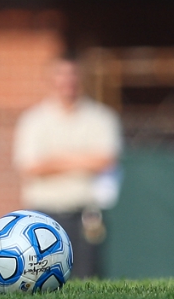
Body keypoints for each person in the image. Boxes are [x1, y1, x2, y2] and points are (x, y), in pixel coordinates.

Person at [13, 57, 122, 279]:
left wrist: (55, 161)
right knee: (43, 278)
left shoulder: (101, 117)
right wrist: (82, 160)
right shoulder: (33, 120)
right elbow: (31, 166)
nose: (67, 82)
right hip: (45, 214)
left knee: (87, 277)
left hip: (87, 214)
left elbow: (106, 160)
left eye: (72, 75)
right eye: (60, 75)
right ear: (50, 80)